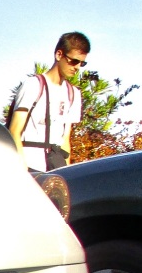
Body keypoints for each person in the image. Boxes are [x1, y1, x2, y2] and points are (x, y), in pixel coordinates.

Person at [8, 31, 89, 171]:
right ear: (59, 55)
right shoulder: (33, 85)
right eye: (74, 61)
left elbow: (65, 141)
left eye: (82, 63)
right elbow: (14, 131)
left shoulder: (73, 94)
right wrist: (22, 170)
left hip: (55, 169)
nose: (77, 67)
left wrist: (67, 174)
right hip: (29, 166)